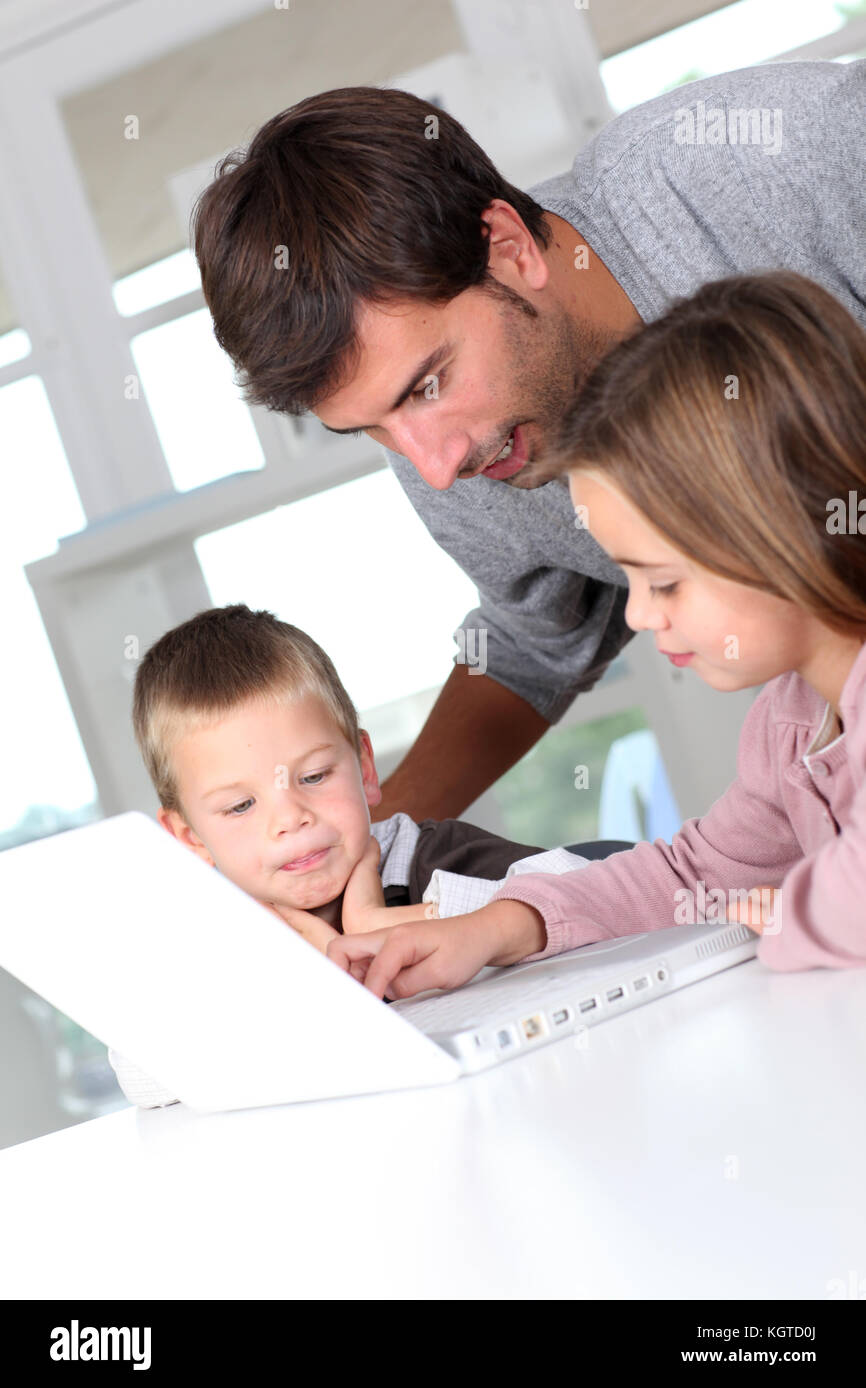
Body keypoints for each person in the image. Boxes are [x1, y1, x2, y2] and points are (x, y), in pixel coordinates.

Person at [190, 63, 866, 824]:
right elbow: (534, 645)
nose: (437, 468)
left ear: (510, 248)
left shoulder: (770, 160)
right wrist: (367, 850)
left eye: (426, 386)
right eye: (371, 428)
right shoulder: (455, 448)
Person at [325, 271, 866, 1002]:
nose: (638, 616)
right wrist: (501, 925)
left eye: (665, 581)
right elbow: (692, 875)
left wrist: (793, 914)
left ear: (787, 528)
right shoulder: (791, 723)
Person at [111, 602, 591, 1106]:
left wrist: (389, 923)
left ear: (364, 768)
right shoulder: (221, 932)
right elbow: (135, 1073)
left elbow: (586, 890)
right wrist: (300, 975)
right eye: (241, 806)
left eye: (314, 777)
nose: (290, 818)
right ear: (188, 837)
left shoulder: (424, 856)